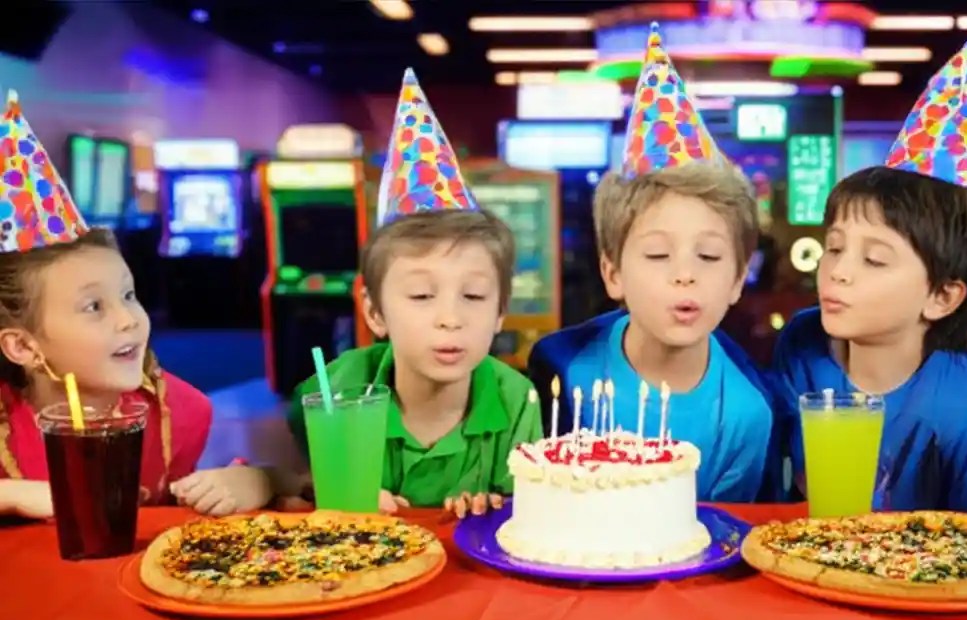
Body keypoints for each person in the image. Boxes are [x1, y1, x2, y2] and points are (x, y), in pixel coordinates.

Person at [526, 24, 782, 502]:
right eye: (658, 254)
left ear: (737, 277)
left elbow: (725, 535)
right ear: (612, 272)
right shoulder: (560, 369)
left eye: (708, 256)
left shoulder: (748, 411)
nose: (684, 273)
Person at [282, 69, 541, 518]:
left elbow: (531, 510)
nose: (450, 318)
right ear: (374, 311)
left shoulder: (519, 400)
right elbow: (298, 490)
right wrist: (325, 493)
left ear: (501, 311)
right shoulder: (333, 393)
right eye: (422, 296)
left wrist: (497, 506)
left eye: (474, 297)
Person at [773, 37, 967, 513]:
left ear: (943, 297)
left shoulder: (957, 405)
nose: (838, 271)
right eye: (835, 248)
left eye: (874, 260)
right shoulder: (802, 344)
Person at [0, 90, 264, 519]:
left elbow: (178, 517)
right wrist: (14, 495)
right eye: (93, 307)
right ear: (24, 347)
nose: (129, 320)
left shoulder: (180, 411)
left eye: (128, 296)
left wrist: (258, 480)